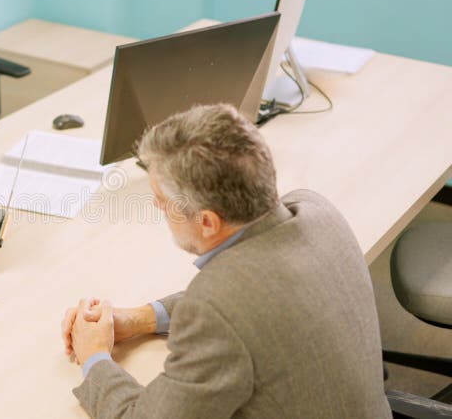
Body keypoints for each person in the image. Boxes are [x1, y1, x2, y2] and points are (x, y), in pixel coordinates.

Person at [61, 104, 390, 418]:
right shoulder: (314, 210)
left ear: (206, 222)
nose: (157, 207)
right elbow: (249, 298)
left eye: (161, 200)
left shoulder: (217, 309)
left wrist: (95, 356)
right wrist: (140, 318)